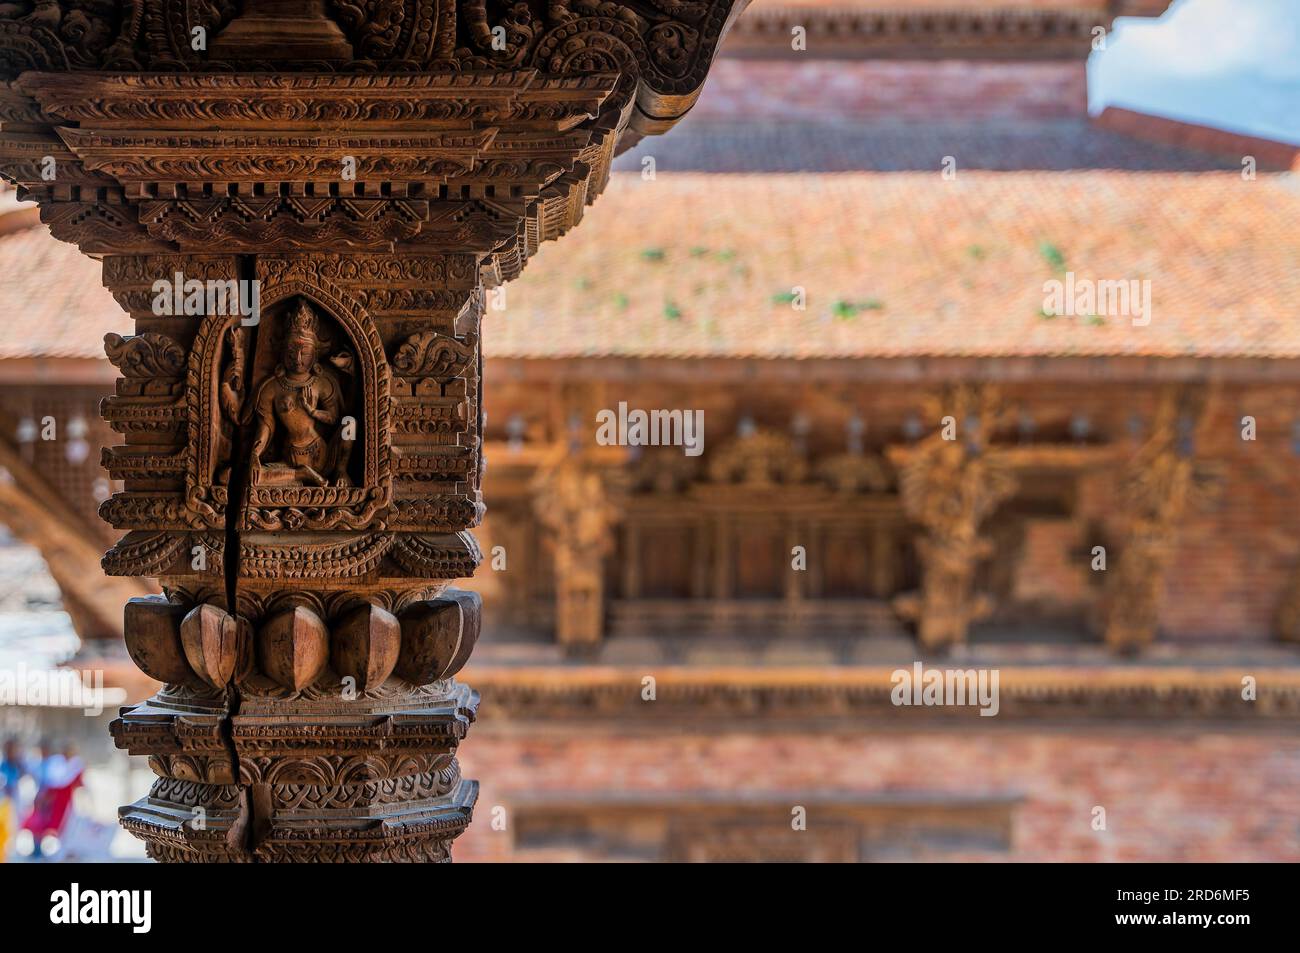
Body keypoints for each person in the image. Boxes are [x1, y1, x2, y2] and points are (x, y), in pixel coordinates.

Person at [22, 741, 83, 859]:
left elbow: (75, 783)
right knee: (40, 825)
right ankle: (37, 849)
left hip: (65, 802)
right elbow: (52, 783)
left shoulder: (72, 766)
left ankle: (66, 850)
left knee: (67, 827)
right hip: (48, 800)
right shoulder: (54, 764)